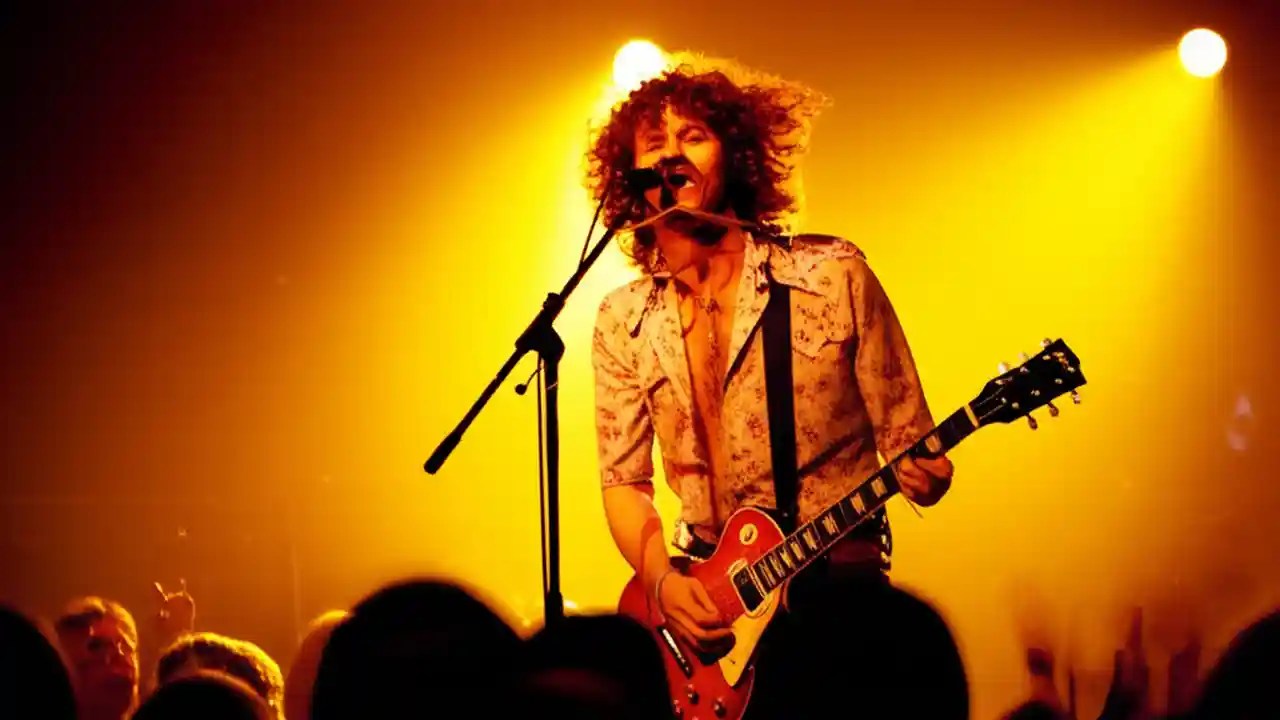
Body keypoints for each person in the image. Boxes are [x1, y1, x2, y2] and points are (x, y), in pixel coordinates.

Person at [588, 56, 962, 717]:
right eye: (654, 143)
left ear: (735, 155)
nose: (672, 154)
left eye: (693, 136)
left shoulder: (831, 276)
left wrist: (926, 476)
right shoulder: (624, 319)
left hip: (839, 600)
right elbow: (623, 480)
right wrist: (662, 583)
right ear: (631, 176)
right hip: (706, 608)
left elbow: (915, 447)